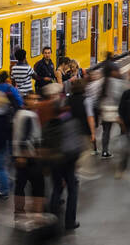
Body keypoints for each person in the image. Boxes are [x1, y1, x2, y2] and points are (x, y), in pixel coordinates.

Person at [43, 85, 83, 233]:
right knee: (72, 190)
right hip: (68, 161)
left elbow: (44, 143)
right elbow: (76, 145)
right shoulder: (71, 122)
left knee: (57, 189)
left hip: (54, 161)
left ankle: (52, 221)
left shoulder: (49, 124)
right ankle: (70, 221)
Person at [11, 93, 45, 215]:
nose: (36, 101)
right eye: (33, 99)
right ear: (26, 101)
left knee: (20, 184)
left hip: (18, 155)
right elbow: (26, 137)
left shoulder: (18, 114)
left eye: (37, 99)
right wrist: (27, 154)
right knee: (38, 186)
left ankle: (19, 211)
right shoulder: (30, 115)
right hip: (29, 156)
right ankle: (37, 213)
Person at [93, 62, 125, 159]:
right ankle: (124, 148)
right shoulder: (116, 82)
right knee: (124, 128)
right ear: (112, 72)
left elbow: (97, 97)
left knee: (106, 131)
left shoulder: (102, 81)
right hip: (115, 110)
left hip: (105, 110)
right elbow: (118, 97)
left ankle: (105, 151)